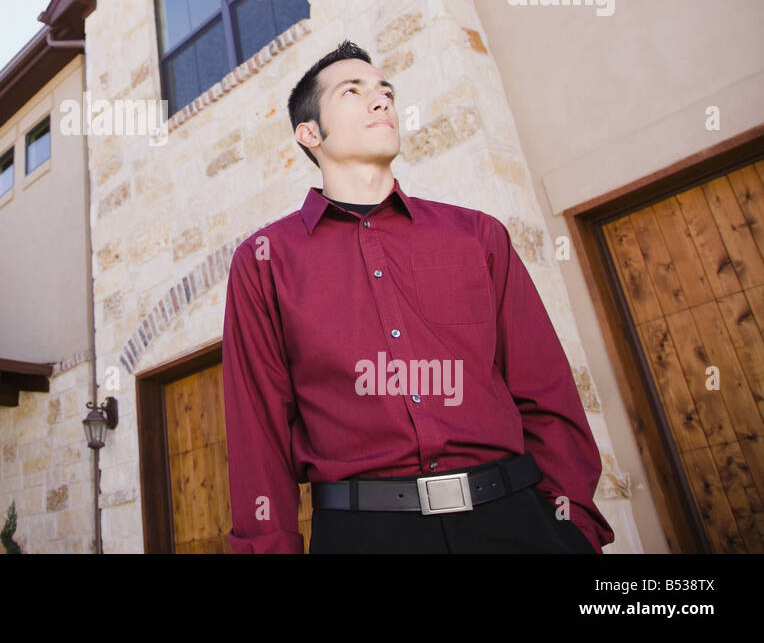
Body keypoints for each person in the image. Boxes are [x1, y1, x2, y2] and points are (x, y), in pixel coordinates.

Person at [222, 40, 613, 553]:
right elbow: (258, 428)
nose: (381, 100)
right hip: (366, 535)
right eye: (352, 92)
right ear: (309, 133)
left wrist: (572, 523)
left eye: (385, 90)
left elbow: (544, 386)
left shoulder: (477, 235)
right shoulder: (263, 261)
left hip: (516, 518)